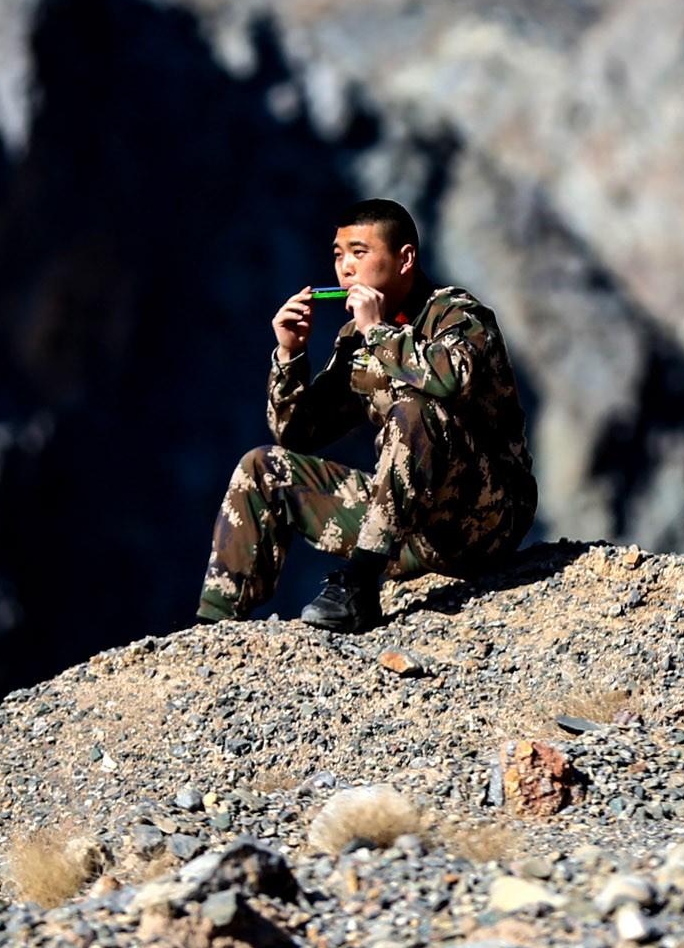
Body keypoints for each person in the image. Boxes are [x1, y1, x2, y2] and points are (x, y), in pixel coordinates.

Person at [197, 198, 538, 633]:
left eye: (360, 252)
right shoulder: (357, 337)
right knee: (262, 468)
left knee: (415, 408)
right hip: (408, 529)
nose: (345, 268)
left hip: (484, 520)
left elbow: (448, 380)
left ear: (404, 260)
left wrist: (378, 332)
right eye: (338, 256)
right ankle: (212, 626)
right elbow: (299, 435)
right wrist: (290, 354)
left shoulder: (458, 315)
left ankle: (358, 587)